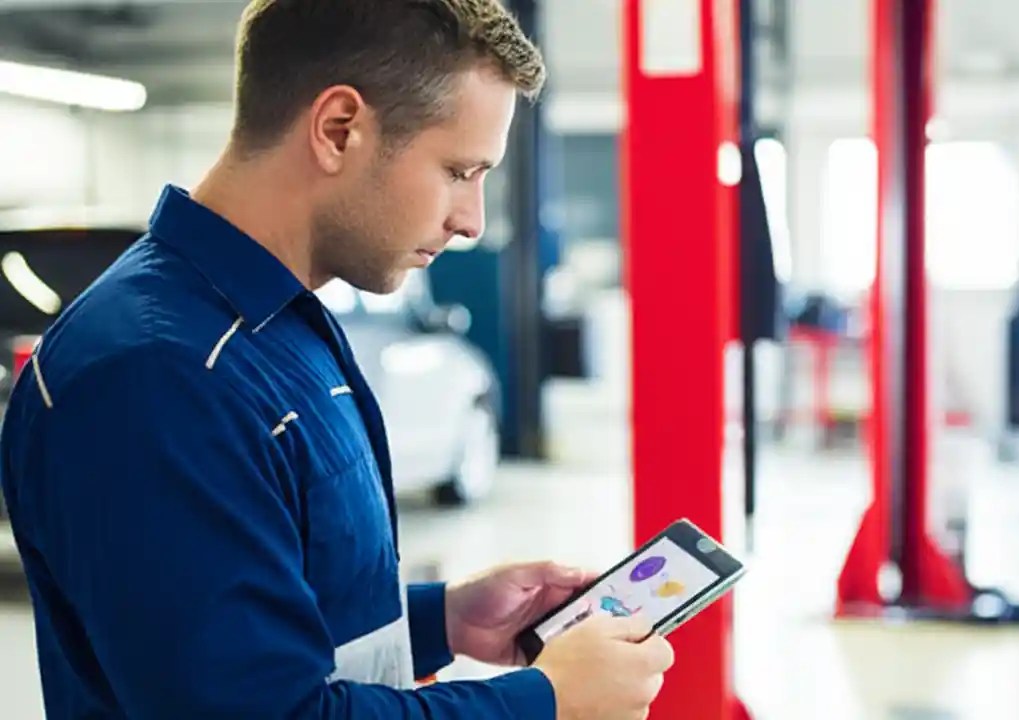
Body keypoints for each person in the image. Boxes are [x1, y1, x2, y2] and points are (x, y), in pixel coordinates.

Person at [0, 1, 673, 718]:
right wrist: (545, 701)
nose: (471, 219)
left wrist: (441, 621)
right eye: (458, 170)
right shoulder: (158, 376)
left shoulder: (278, 327)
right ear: (338, 129)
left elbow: (247, 631)